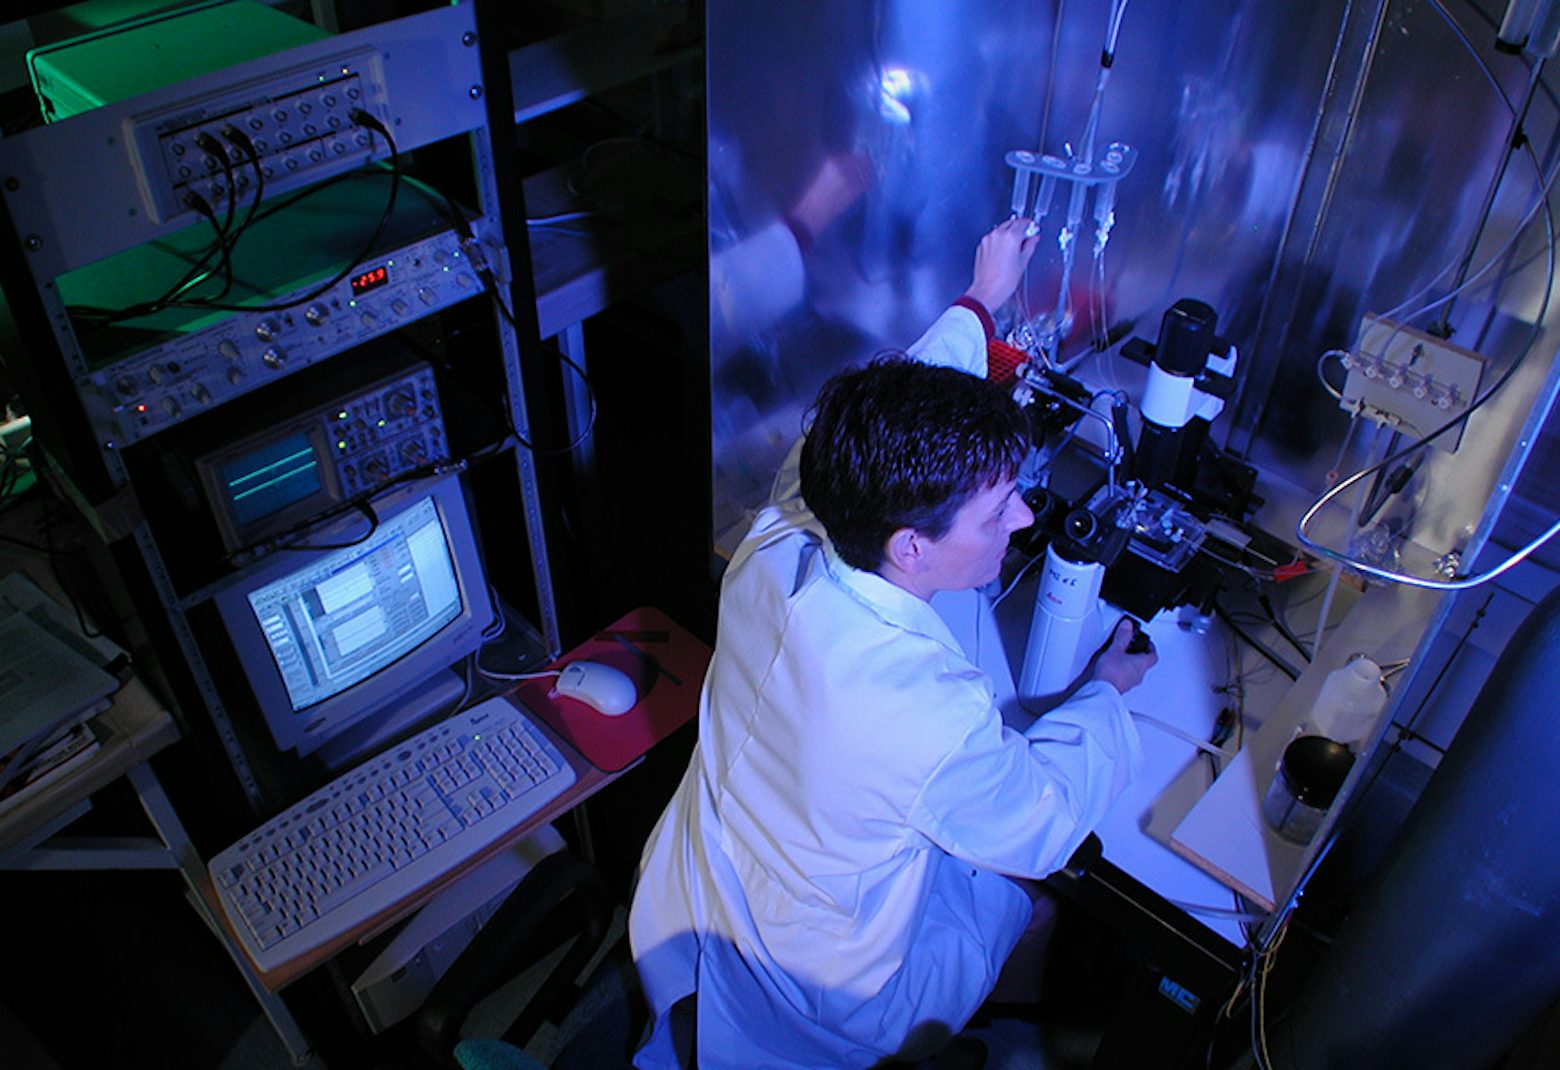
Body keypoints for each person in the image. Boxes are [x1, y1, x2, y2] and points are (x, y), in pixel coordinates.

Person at [629, 218, 1156, 1069]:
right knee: (1034, 900)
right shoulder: (922, 708)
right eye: (998, 511)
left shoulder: (787, 524)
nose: (1026, 517)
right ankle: (990, 1041)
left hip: (697, 886)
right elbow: (1046, 822)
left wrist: (981, 298)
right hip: (817, 989)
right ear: (911, 547)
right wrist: (1107, 691)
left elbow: (892, 411)